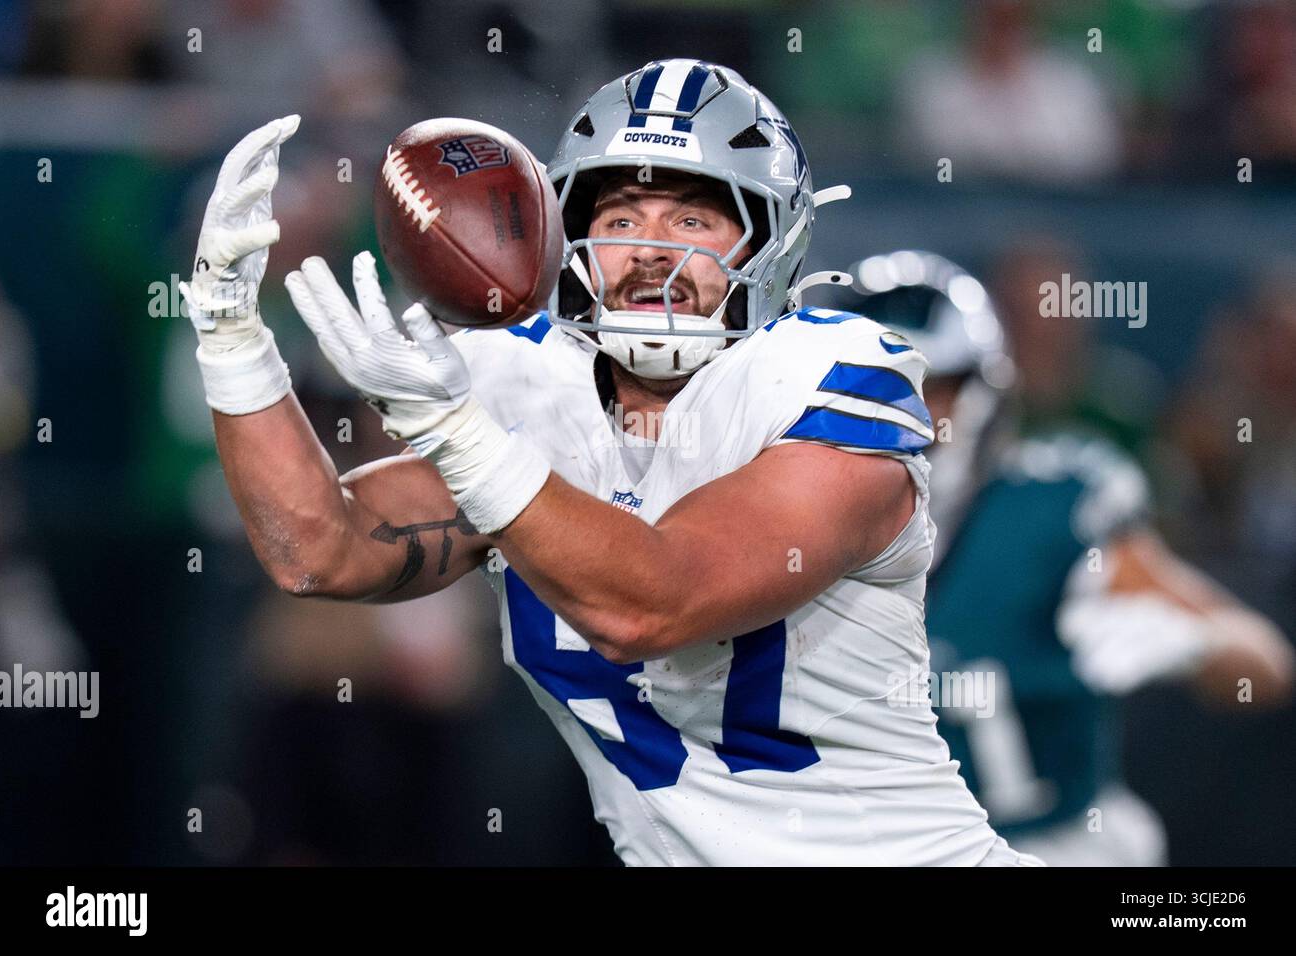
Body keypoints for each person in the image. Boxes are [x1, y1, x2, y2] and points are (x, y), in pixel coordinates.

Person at [177, 59, 1038, 866]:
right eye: (620, 216)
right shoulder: (527, 385)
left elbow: (651, 604)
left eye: (693, 219)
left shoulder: (831, 378)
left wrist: (458, 429)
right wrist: (230, 337)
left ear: (771, 244)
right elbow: (314, 549)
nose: (653, 251)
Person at [840, 250, 1294, 865]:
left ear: (988, 391)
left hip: (1059, 847)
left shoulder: (1057, 508)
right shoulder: (785, 532)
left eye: (936, 387)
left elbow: (1263, 665)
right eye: (880, 390)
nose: (913, 416)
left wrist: (1188, 641)